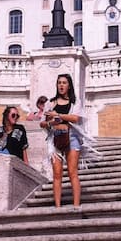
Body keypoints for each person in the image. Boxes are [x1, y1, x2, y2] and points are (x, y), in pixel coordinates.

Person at [40, 74, 84, 208]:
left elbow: (76, 118)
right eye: (59, 82)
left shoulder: (75, 102)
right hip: (55, 138)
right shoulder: (50, 103)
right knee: (57, 173)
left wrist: (58, 115)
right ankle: (58, 207)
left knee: (72, 172)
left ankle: (76, 206)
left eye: (64, 83)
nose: (61, 85)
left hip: (72, 137)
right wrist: (51, 123)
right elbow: (42, 123)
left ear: (69, 85)